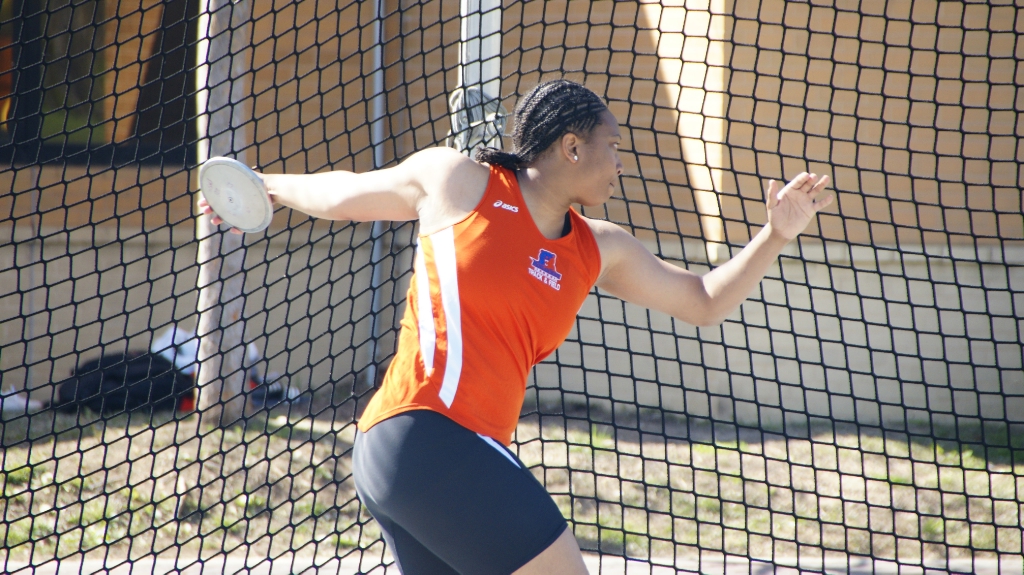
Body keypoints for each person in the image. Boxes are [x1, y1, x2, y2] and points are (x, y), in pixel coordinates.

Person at [198, 79, 832, 575]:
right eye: (612, 146)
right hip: (421, 435)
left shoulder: (596, 248)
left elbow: (702, 299)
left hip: (444, 457)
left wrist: (775, 235)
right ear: (571, 146)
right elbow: (347, 193)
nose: (619, 163)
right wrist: (265, 187)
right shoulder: (460, 182)